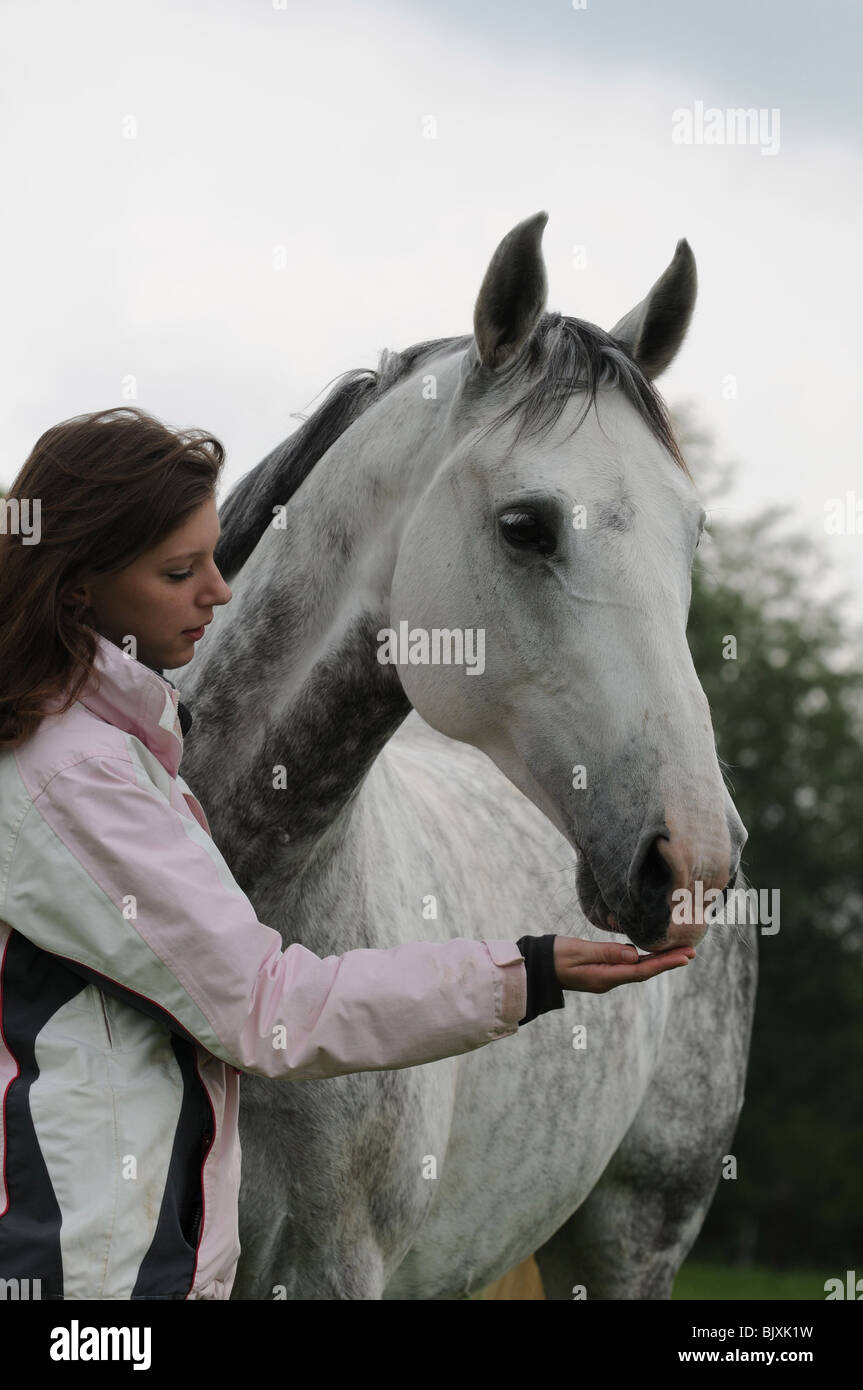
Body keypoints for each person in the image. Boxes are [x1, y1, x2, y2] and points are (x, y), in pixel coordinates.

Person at [0, 406, 695, 1301]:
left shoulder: (98, 747)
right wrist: (527, 973)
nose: (218, 590)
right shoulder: (79, 776)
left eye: (216, 556)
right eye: (179, 571)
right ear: (75, 592)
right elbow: (266, 1007)